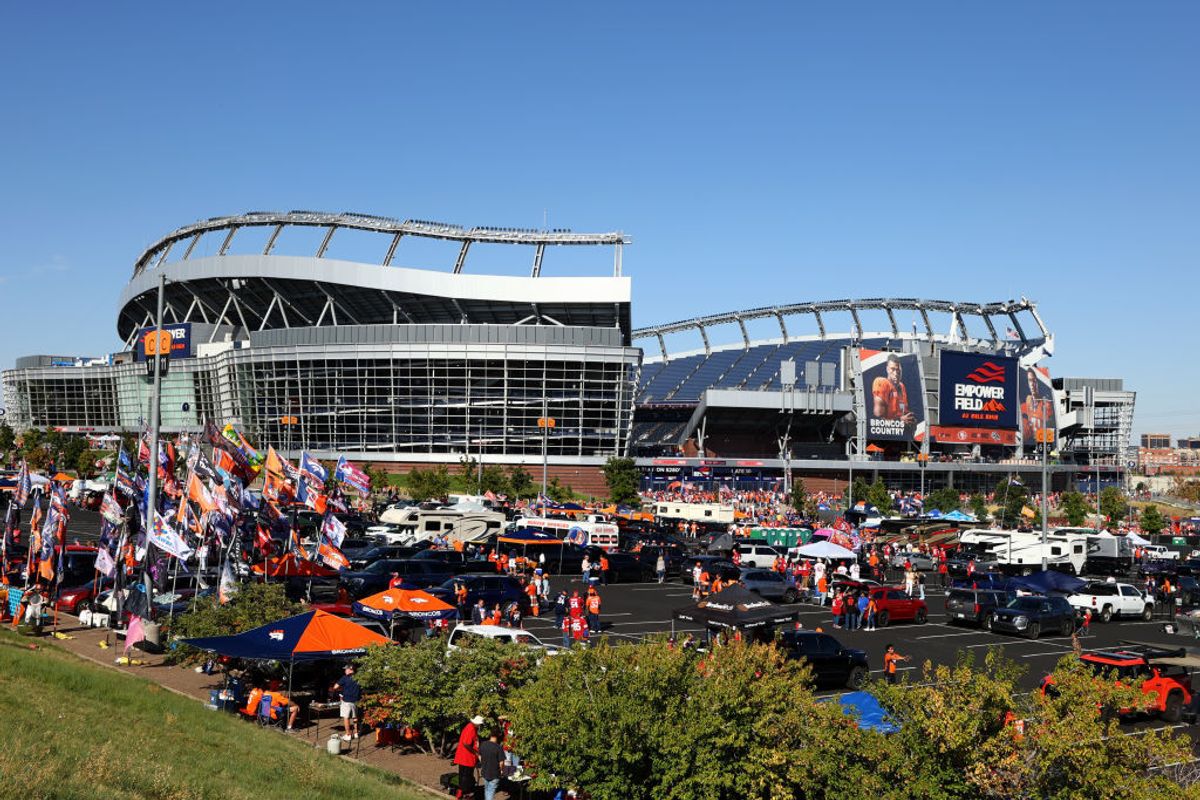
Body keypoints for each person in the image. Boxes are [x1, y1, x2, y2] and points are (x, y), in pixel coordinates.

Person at [872, 354, 916, 427]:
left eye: (898, 370)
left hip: (900, 432)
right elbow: (878, 418)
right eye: (892, 369)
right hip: (886, 433)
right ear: (887, 369)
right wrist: (900, 421)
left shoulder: (901, 386)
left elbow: (903, 412)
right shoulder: (882, 383)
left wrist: (909, 418)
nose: (896, 374)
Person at [453, 715, 483, 799]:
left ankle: (461, 793)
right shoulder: (471, 729)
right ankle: (465, 794)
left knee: (464, 776)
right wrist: (475, 753)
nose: (480, 725)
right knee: (466, 776)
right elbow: (466, 743)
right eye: (479, 724)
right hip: (466, 757)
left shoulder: (471, 727)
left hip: (465, 757)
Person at [332, 664, 362, 740]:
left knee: (346, 717)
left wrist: (342, 688)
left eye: (346, 669)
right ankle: (356, 733)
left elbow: (335, 687)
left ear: (351, 670)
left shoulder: (345, 678)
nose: (345, 670)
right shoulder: (359, 678)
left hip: (347, 701)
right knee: (355, 717)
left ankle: (348, 734)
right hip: (356, 700)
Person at [479, 728, 504, 800]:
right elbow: (501, 763)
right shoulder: (498, 748)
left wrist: (483, 763)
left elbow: (479, 755)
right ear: (498, 736)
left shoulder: (483, 744)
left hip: (485, 772)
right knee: (490, 791)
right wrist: (501, 770)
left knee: (487, 790)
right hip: (494, 774)